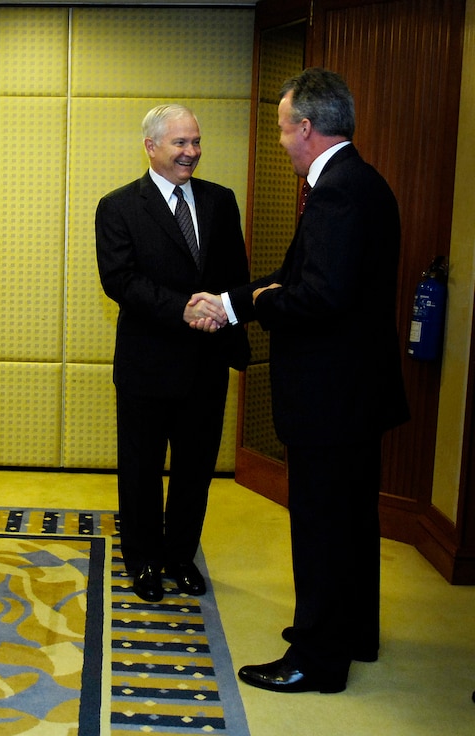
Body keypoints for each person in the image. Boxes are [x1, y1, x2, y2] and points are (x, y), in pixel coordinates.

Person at [193, 68, 409, 693]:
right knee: (351, 523)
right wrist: (238, 298)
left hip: (331, 400)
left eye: (284, 127)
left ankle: (317, 659)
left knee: (322, 526)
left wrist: (238, 308)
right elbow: (291, 278)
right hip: (355, 396)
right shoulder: (361, 182)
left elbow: (314, 297)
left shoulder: (338, 192)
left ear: (306, 127)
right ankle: (351, 632)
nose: (282, 140)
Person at [95, 104, 251, 603]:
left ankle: (181, 556)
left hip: (207, 361)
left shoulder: (221, 201)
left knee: (195, 469)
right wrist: (183, 309)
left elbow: (235, 274)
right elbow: (120, 280)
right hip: (148, 363)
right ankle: (142, 562)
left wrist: (222, 313)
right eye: (180, 143)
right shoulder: (118, 206)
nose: (191, 152)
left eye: (196, 142)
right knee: (140, 470)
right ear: (151, 146)